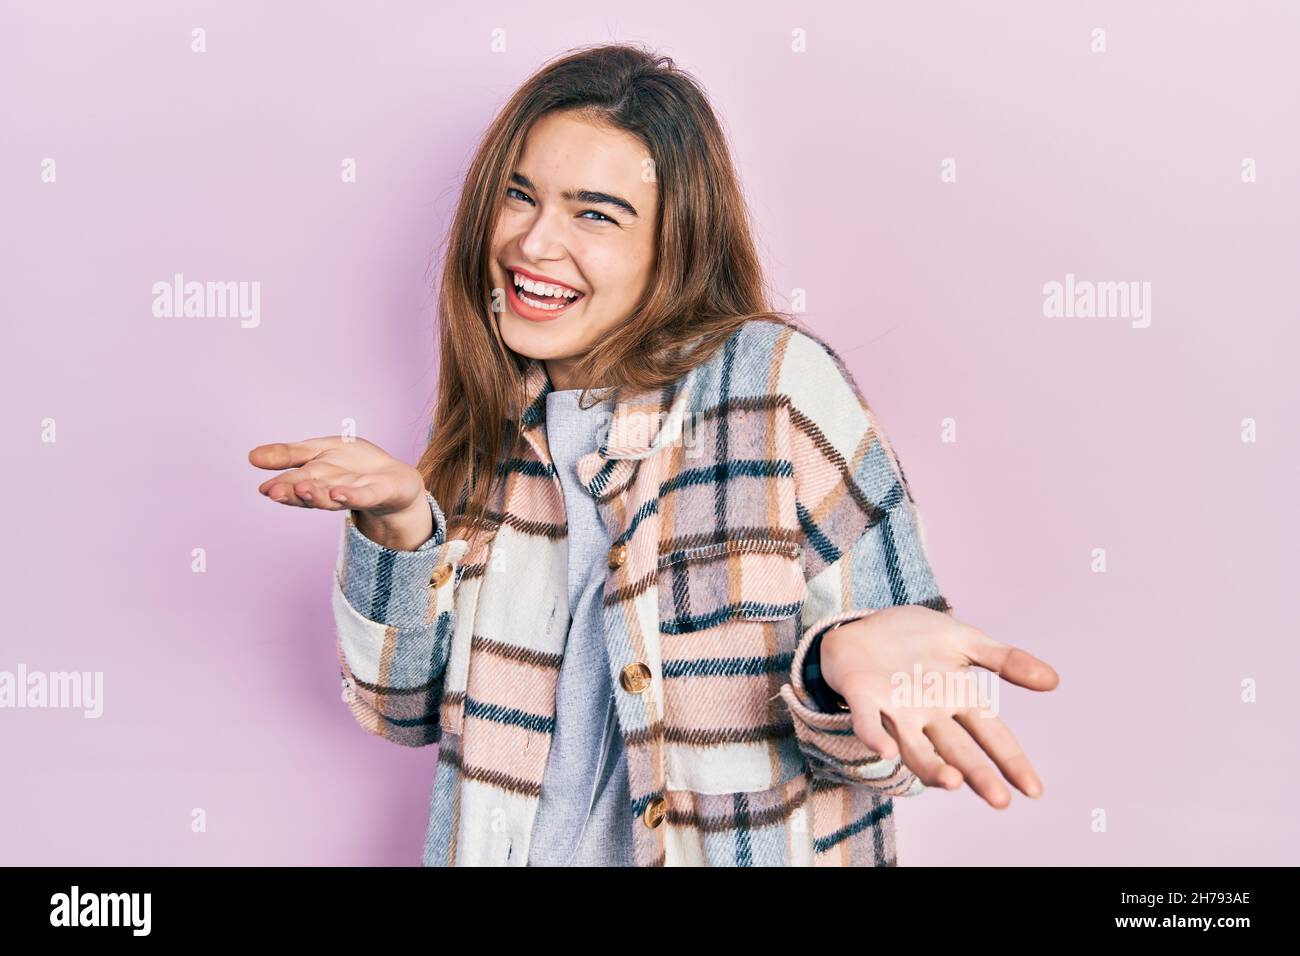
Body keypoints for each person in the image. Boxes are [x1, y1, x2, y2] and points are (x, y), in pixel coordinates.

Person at [249, 42, 1059, 867]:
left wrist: (834, 663)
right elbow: (402, 711)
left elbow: (903, 749)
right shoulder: (493, 432)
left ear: (674, 244)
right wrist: (396, 528)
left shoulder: (771, 384)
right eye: (518, 196)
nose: (533, 243)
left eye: (595, 213)